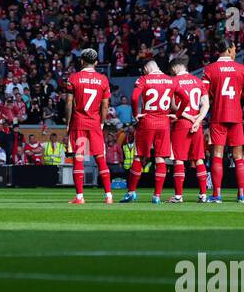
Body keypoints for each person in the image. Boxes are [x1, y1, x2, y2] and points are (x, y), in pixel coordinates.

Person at [202, 42, 244, 203]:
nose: (235, 52)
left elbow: (205, 93)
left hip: (218, 115)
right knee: (238, 157)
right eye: (235, 49)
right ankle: (242, 195)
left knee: (217, 155)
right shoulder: (242, 69)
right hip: (236, 116)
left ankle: (217, 194)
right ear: (229, 50)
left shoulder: (210, 69)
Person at [122, 60, 175, 204]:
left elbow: (134, 97)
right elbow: (183, 97)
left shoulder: (144, 79)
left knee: (139, 156)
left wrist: (135, 114)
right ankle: (157, 196)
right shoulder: (170, 80)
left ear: (146, 68)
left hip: (147, 122)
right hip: (164, 123)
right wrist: (177, 113)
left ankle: (131, 192)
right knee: (160, 158)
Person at [64, 48, 112, 205]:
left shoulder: (74, 78)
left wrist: (68, 123)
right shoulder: (103, 79)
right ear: (96, 62)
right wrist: (102, 123)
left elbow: (69, 102)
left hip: (79, 122)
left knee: (79, 158)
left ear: (81, 61)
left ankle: (79, 197)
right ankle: (109, 196)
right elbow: (105, 106)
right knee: (100, 158)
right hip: (95, 123)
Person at [169, 57, 210, 202]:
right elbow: (206, 105)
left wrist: (188, 117)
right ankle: (203, 195)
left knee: (179, 160)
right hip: (197, 125)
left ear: (175, 68)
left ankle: (178, 196)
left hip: (181, 123)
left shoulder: (174, 81)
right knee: (199, 159)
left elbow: (173, 105)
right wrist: (197, 120)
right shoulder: (198, 81)